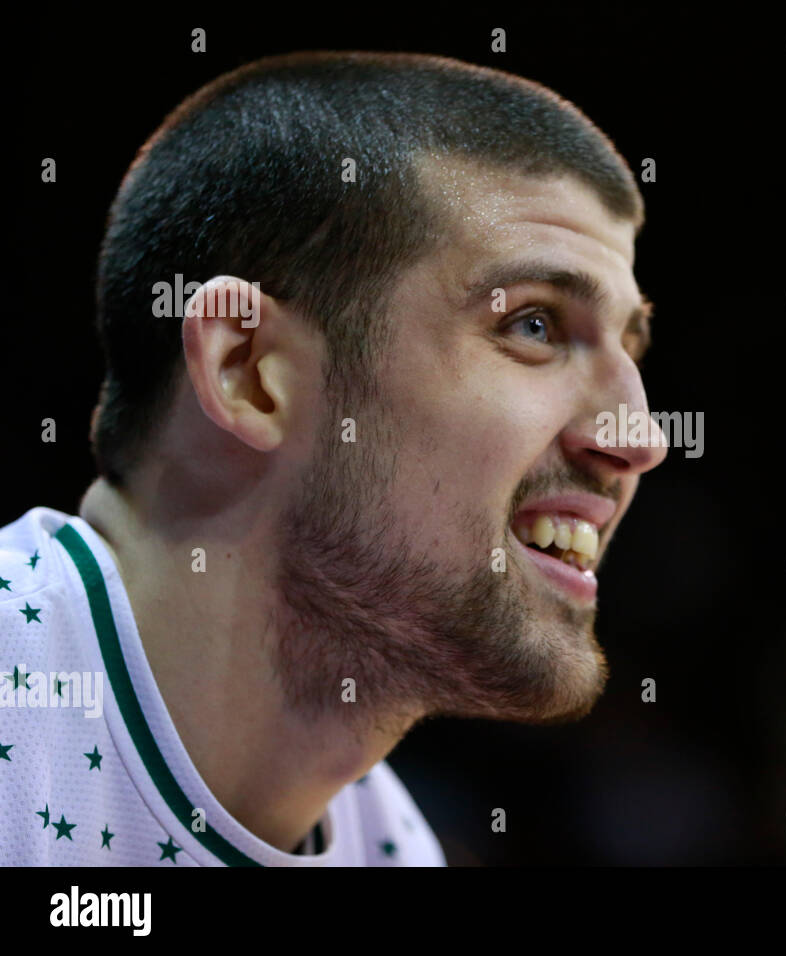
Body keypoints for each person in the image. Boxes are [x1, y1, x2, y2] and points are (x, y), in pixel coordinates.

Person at [0, 51, 666, 866]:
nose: (639, 437)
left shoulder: (397, 850)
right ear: (249, 372)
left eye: (630, 347)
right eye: (533, 325)